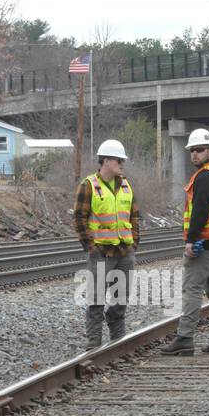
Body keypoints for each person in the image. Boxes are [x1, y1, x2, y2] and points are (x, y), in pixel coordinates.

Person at [161, 128, 209, 356]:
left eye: (200, 150)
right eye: (192, 151)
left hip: (207, 242)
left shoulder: (205, 176)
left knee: (192, 288)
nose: (195, 154)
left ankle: (185, 338)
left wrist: (191, 239)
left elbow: (201, 212)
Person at [73, 139, 140, 349]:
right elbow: (79, 217)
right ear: (107, 161)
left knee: (121, 300)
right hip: (101, 252)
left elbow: (134, 216)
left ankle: (117, 340)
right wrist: (90, 247)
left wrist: (133, 243)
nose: (122, 164)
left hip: (124, 252)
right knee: (96, 299)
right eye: (119, 160)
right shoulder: (89, 185)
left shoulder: (127, 185)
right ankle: (94, 343)